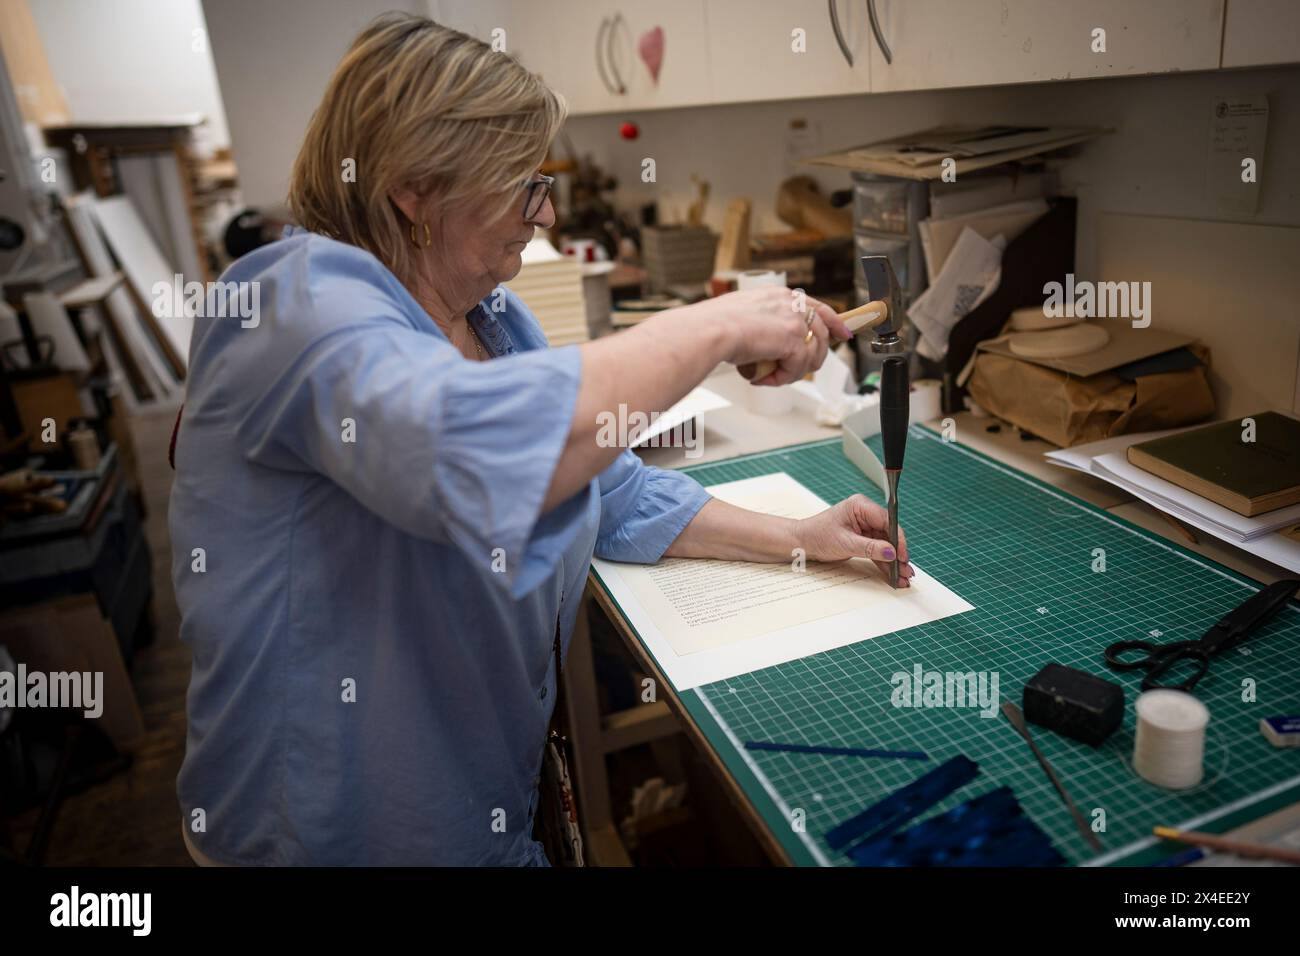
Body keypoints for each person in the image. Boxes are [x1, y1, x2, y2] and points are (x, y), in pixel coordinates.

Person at [169, 12, 912, 866]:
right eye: (524, 185)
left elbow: (610, 486)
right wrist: (715, 326)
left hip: (479, 816)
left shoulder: (488, 316)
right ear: (417, 187)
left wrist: (796, 539)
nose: (547, 210)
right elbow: (471, 457)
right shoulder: (290, 307)